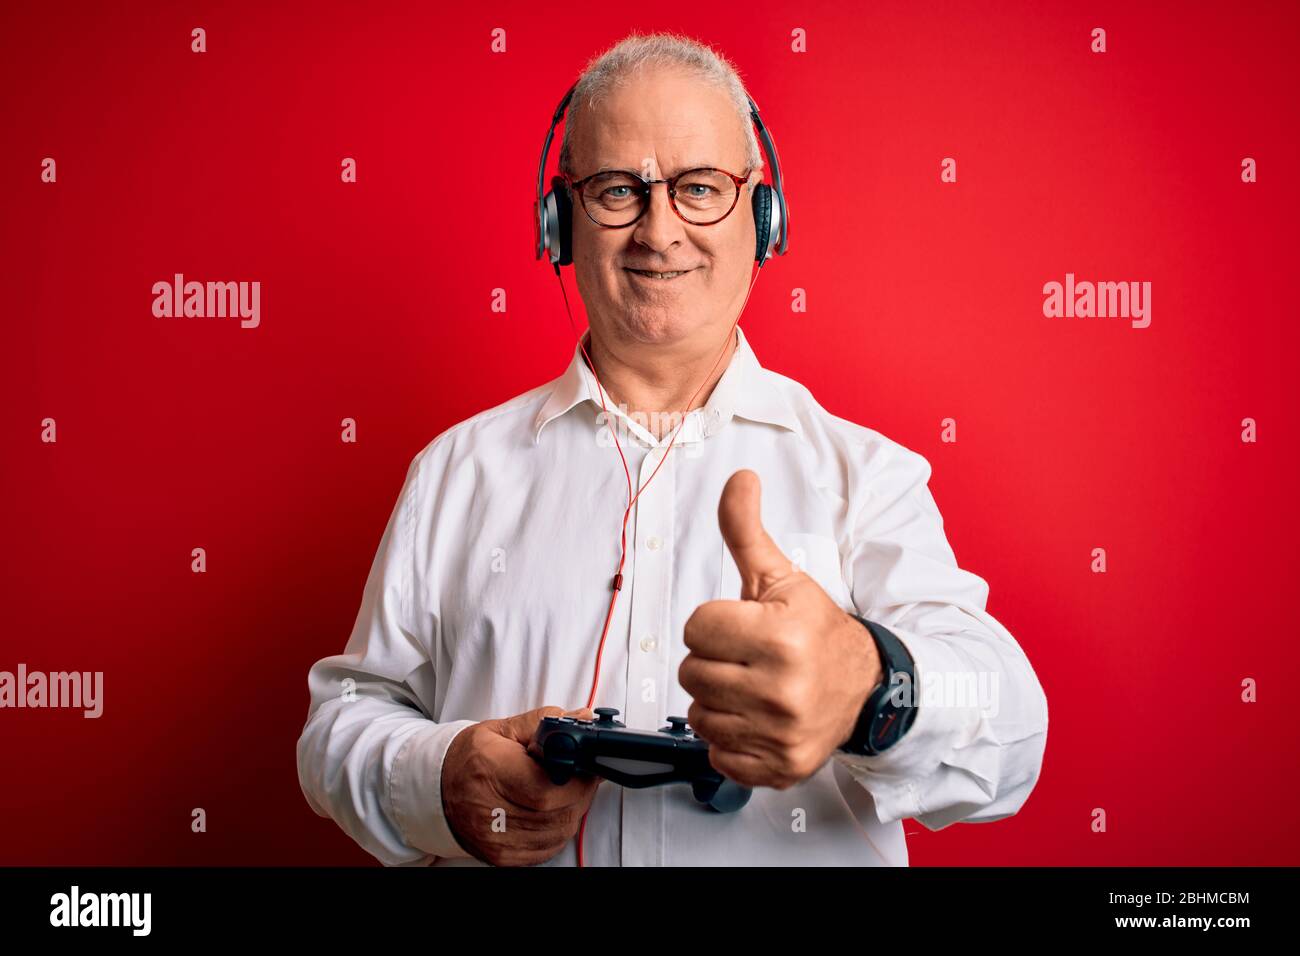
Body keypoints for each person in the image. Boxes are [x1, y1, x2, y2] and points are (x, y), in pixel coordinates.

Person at [295, 31, 1048, 867]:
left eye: (699, 189)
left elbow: (1013, 736)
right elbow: (341, 723)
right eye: (619, 189)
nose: (660, 232)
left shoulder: (866, 478)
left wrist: (872, 688)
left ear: (763, 214)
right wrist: (437, 779)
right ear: (562, 220)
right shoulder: (454, 474)